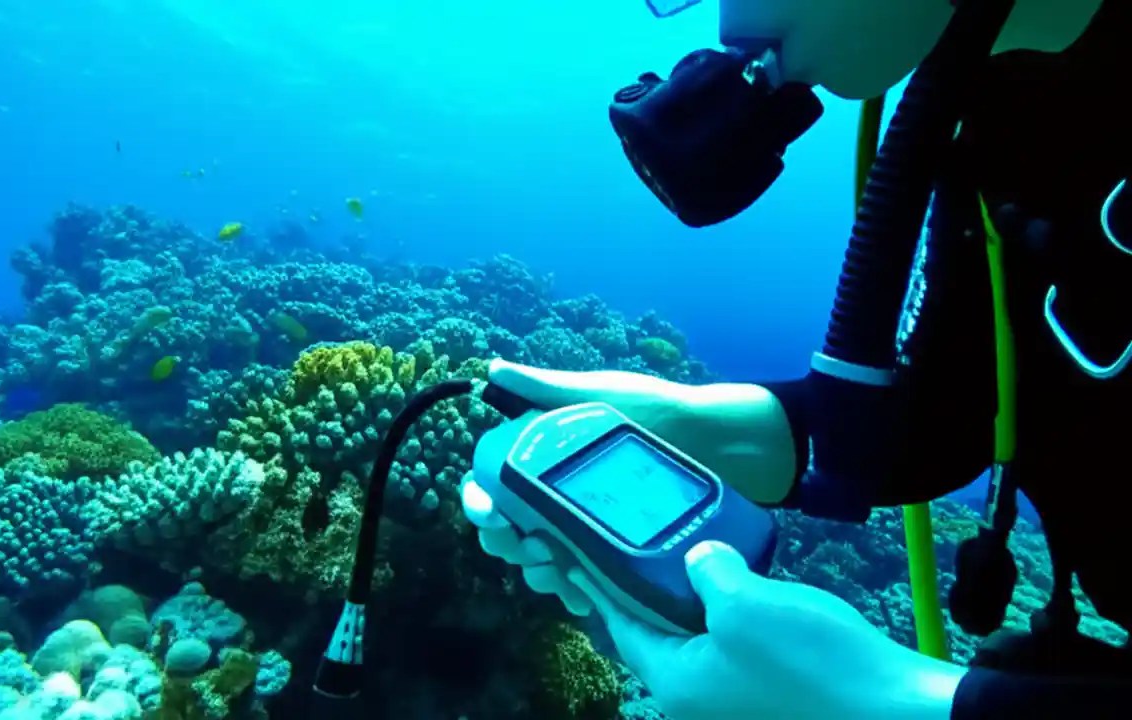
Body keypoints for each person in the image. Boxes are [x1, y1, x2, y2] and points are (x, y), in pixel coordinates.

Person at [461, 0, 1130, 718]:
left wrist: (895, 703)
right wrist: (675, 426)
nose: (723, 23)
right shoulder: (998, 109)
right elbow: (937, 424)